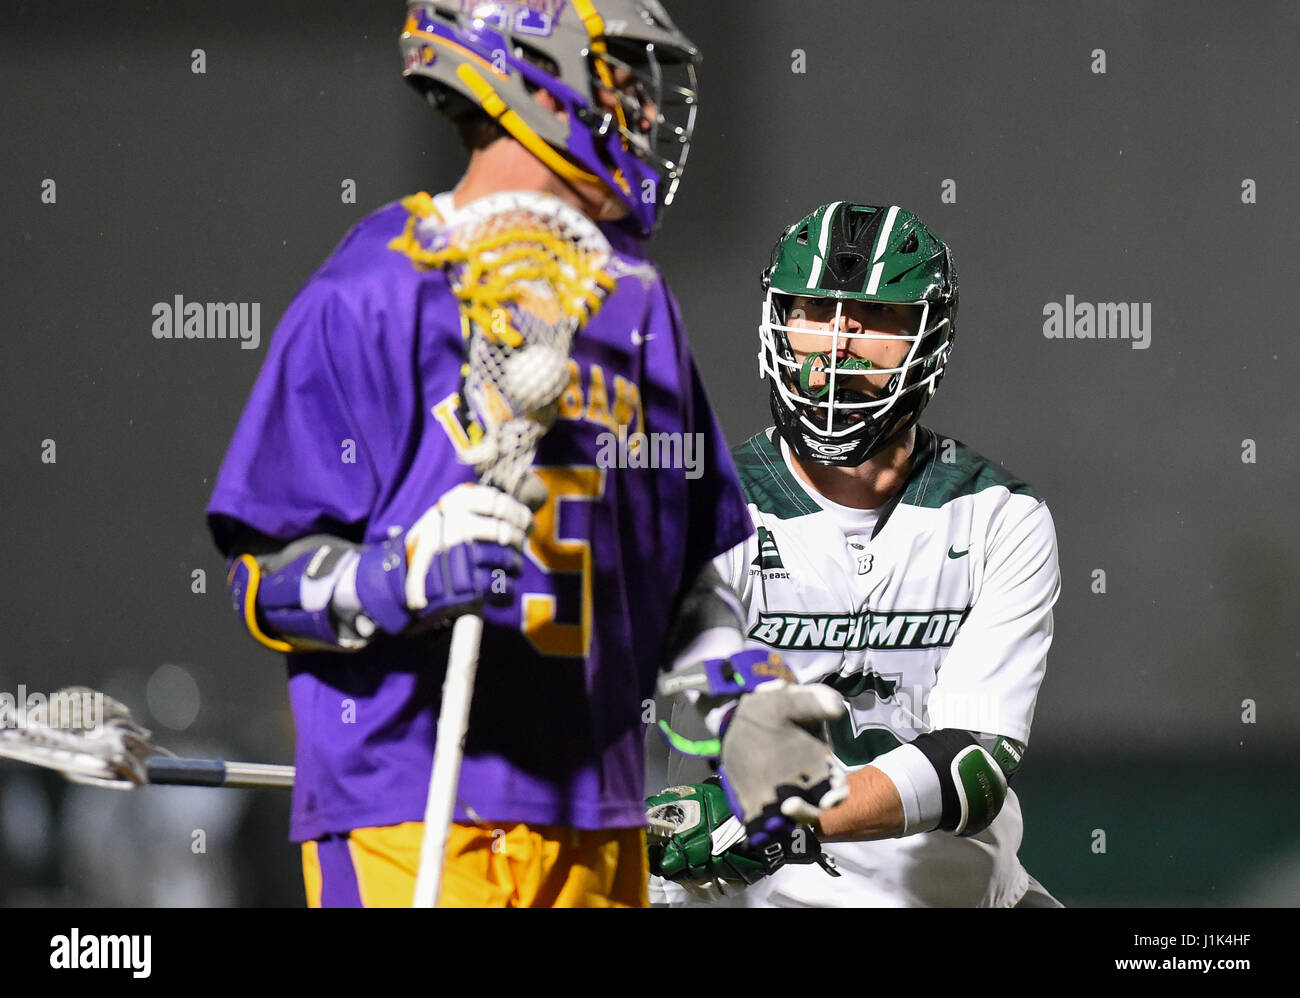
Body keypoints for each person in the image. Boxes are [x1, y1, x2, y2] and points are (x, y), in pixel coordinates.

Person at [206, 1, 841, 909]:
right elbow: (260, 576)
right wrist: (399, 578)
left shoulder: (636, 305)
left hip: (598, 816)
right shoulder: (377, 286)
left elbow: (679, 585)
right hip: (411, 809)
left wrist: (739, 704)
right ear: (529, 74)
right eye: (621, 76)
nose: (650, 112)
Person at [649, 201, 1063, 907]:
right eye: (814, 312)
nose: (836, 343)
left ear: (927, 342)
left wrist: (775, 818)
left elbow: (973, 768)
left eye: (871, 319)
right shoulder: (698, 511)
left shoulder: (999, 515)